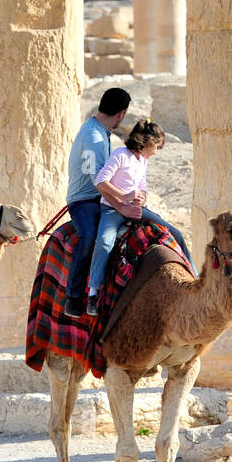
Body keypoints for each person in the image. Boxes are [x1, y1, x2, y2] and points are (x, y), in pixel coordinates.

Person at [84, 119, 195, 317]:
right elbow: (101, 181)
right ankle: (93, 293)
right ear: (145, 142)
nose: (156, 151)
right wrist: (124, 197)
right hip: (112, 209)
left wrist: (140, 198)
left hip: (137, 209)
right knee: (104, 242)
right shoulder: (121, 155)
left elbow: (141, 184)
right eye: (156, 146)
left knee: (174, 233)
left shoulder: (143, 160)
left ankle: (193, 276)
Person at [62, 88, 129, 319]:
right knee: (90, 236)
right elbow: (98, 182)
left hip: (100, 196)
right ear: (122, 113)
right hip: (85, 200)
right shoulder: (94, 137)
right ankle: (74, 297)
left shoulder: (102, 132)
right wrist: (123, 202)